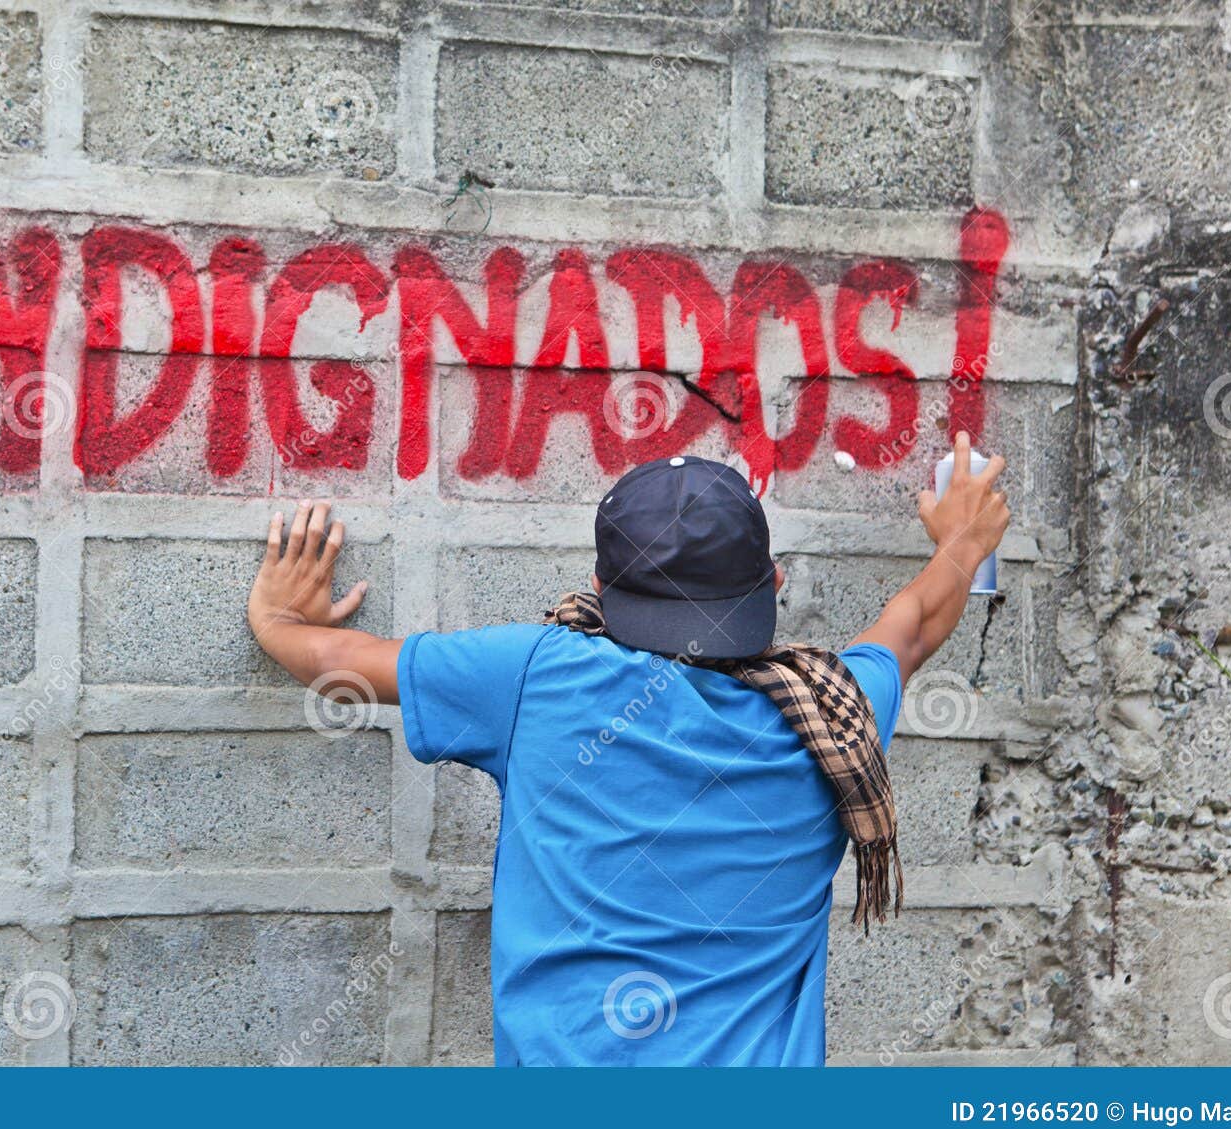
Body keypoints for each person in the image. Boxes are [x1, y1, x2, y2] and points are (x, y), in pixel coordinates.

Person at [247, 433, 1010, 1066]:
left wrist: (282, 618)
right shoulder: (834, 712)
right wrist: (963, 542)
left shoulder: (532, 675)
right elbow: (910, 626)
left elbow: (341, 661)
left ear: (600, 586)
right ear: (773, 584)